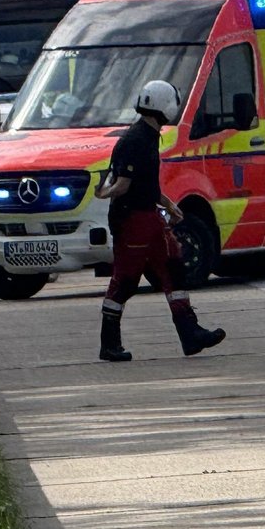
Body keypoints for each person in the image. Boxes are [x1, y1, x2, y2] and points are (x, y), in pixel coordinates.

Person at [97, 79, 225, 363]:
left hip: (149, 216)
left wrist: (169, 205)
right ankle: (109, 342)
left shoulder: (148, 137)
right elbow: (123, 185)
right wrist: (104, 192)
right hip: (133, 219)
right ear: (164, 105)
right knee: (126, 280)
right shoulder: (135, 140)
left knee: (173, 268)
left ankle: (190, 333)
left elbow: (147, 186)